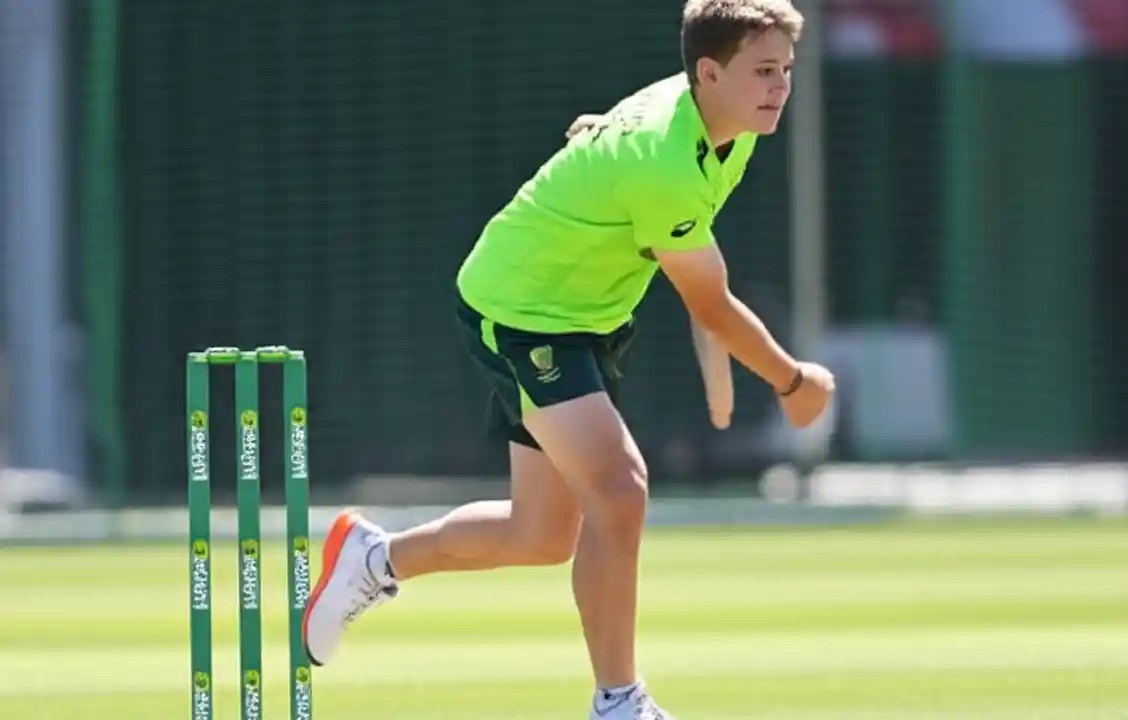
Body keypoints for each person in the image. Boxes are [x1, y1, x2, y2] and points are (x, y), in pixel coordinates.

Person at [302, 1, 834, 717]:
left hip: (584, 315)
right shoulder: (664, 158)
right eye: (764, 71)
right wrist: (792, 381)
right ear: (708, 73)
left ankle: (373, 559)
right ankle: (619, 701)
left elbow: (694, 263)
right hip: (524, 311)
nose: (780, 87)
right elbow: (709, 301)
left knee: (543, 534)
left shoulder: (726, 127)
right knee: (620, 490)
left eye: (787, 70)